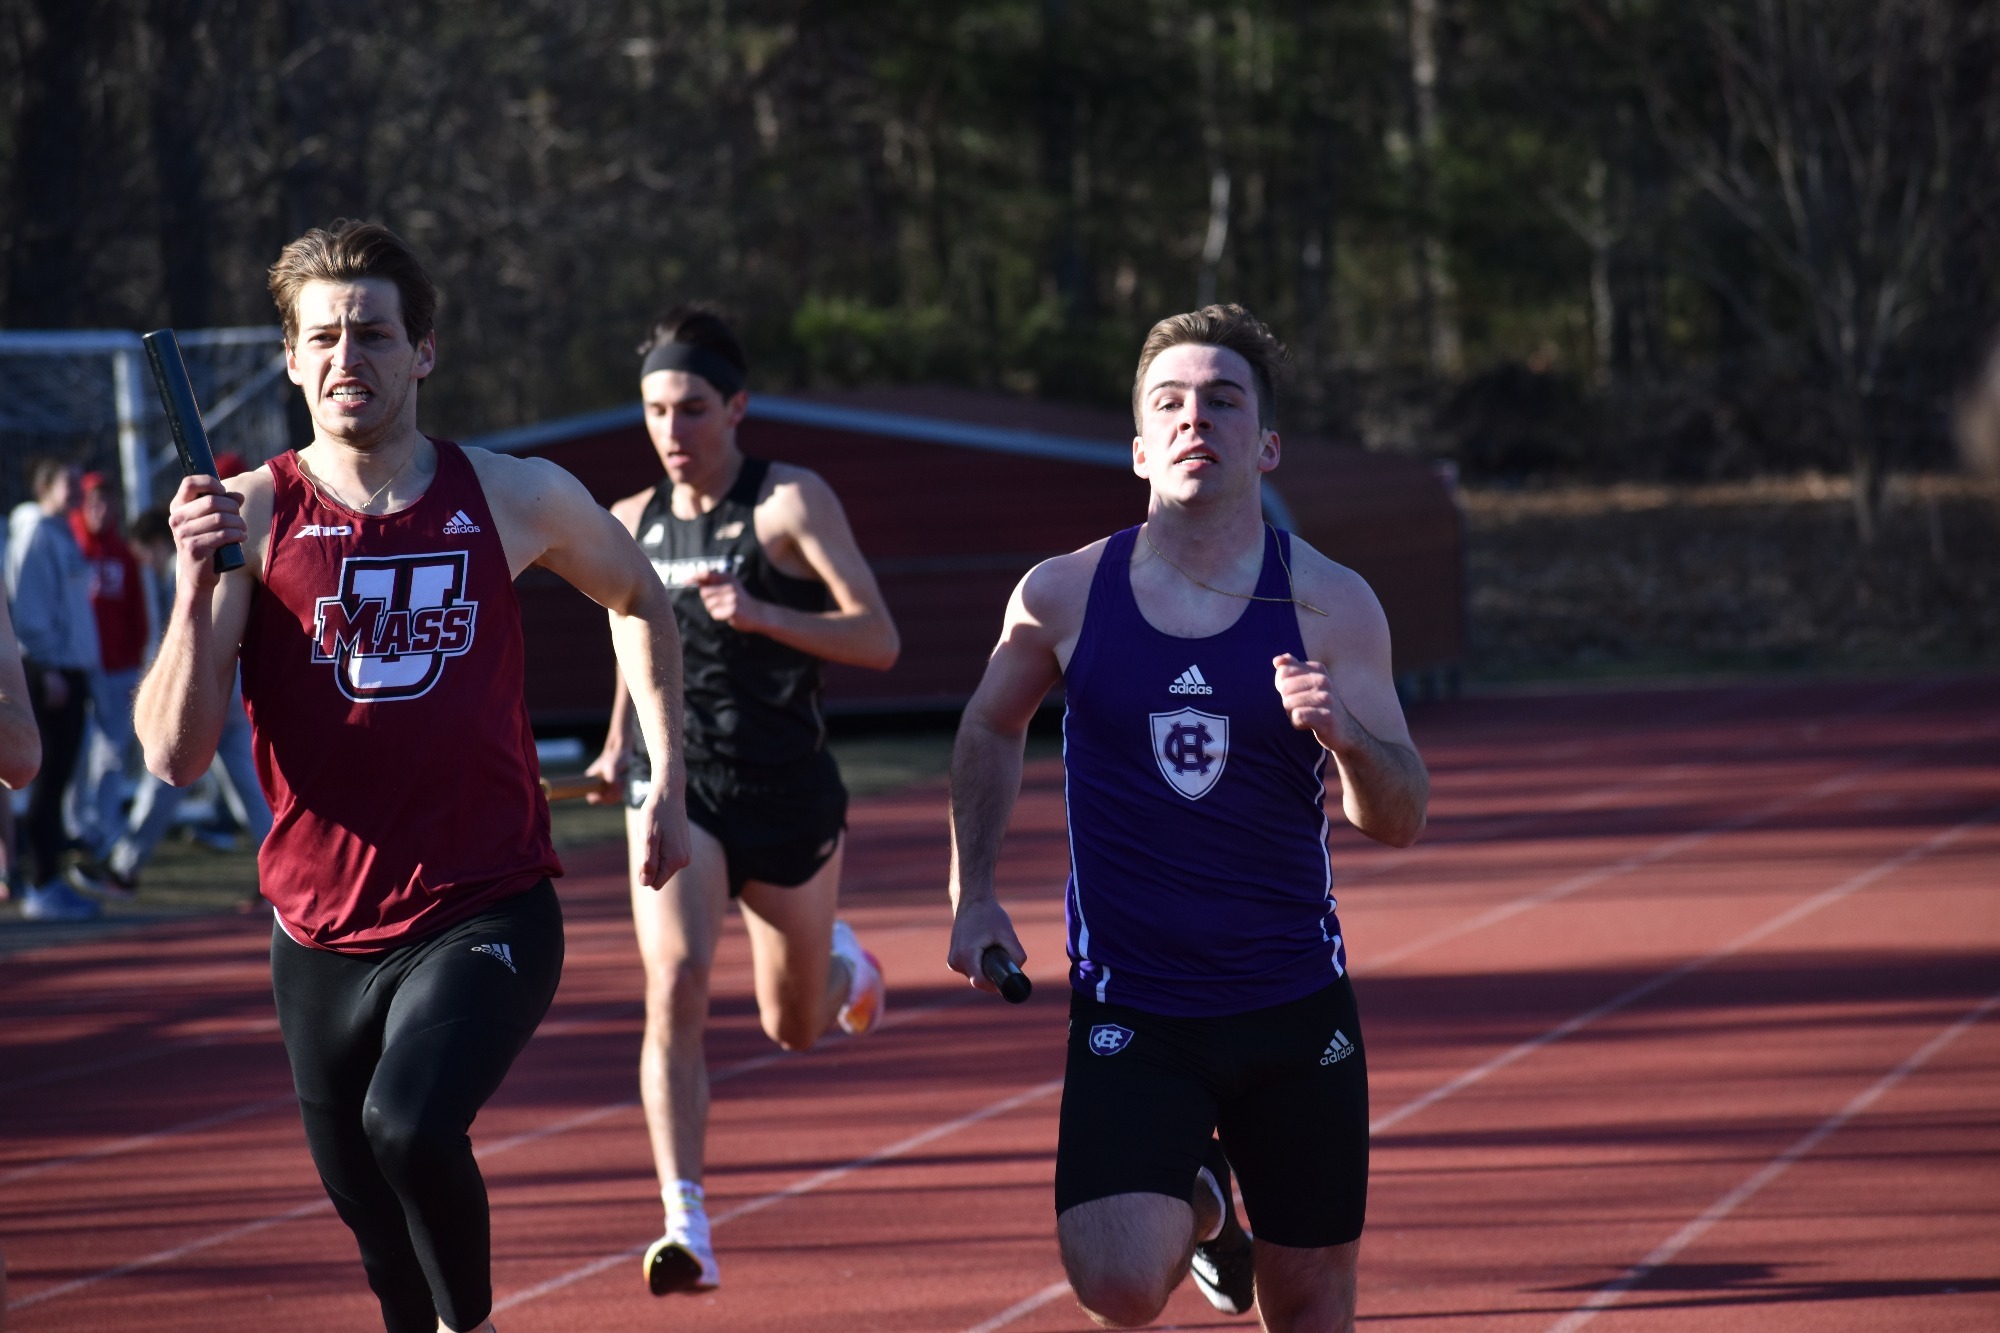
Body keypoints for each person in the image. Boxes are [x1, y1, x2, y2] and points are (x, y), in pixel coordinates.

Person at [134, 219, 691, 1333]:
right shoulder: (247, 514)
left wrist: (663, 770)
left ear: (423, 351)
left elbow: (641, 596)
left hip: (484, 904)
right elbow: (172, 753)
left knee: (411, 1125)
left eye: (375, 334)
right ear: (290, 360)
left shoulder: (510, 494)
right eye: (325, 337)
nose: (351, 358)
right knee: (384, 1247)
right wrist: (195, 592)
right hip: (319, 938)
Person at [945, 305, 1429, 1332]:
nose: (1193, 419)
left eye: (1222, 400)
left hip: (1292, 1002)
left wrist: (1344, 734)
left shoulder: (1330, 604)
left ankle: (1216, 1205)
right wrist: (973, 890)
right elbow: (989, 724)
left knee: (1308, 1299)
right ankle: (1206, 1207)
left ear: (1266, 444)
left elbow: (1399, 814)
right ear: (1135, 448)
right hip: (1137, 1006)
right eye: (1167, 402)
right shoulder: (1065, 593)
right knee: (1117, 1284)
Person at [583, 305, 900, 1295]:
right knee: (675, 975)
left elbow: (878, 639)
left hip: (788, 791)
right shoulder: (628, 522)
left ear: (736, 408)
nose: (670, 431)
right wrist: (616, 747)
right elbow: (631, 645)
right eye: (653, 411)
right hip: (681, 788)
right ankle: (685, 1221)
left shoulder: (789, 504)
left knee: (791, 1027)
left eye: (690, 409)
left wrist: (761, 611)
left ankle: (840, 958)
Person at [74, 508, 271, 900]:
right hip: (227, 684)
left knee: (164, 779)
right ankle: (284, 868)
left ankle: (124, 868)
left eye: (146, 553)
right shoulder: (200, 561)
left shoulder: (182, 567)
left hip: (206, 689)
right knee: (250, 787)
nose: (145, 563)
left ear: (160, 543)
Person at [5, 457, 104, 921]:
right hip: (51, 672)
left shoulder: (65, 532)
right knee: (47, 779)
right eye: (67, 481)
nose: (76, 490)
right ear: (44, 486)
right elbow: (28, 609)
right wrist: (46, 668)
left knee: (62, 779)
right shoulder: (38, 532)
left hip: (72, 668)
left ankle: (52, 876)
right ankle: (41, 882)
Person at [66, 472, 150, 876]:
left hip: (117, 669)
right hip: (77, 666)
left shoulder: (121, 552)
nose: (101, 509)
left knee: (112, 755)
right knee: (75, 754)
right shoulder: (71, 545)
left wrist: (134, 658)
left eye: (107, 501)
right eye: (93, 501)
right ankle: (77, 826)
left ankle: (107, 826)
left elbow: (137, 611)